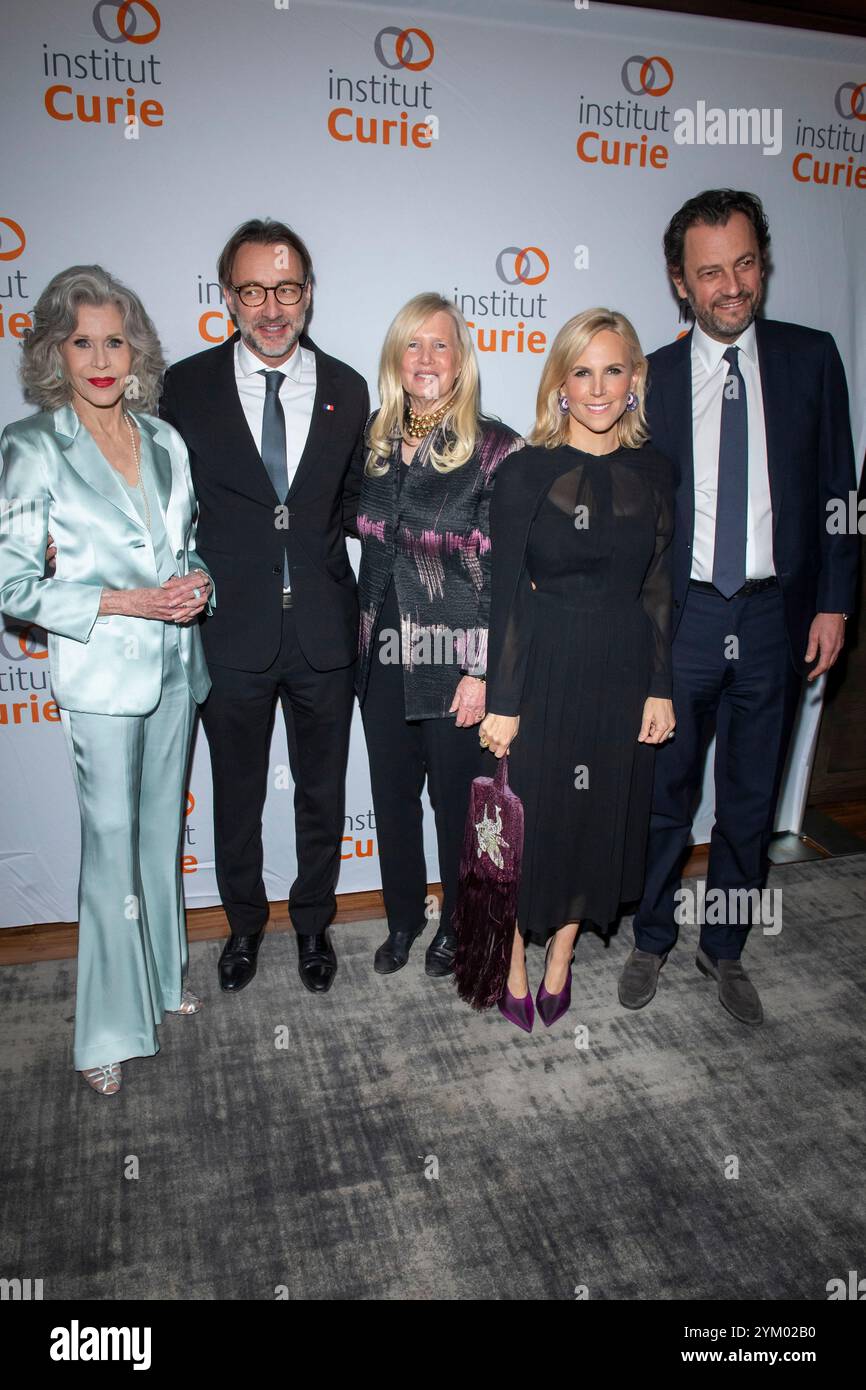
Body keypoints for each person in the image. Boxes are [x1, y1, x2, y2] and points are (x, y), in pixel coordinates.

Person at [620, 189, 859, 1025]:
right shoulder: (650, 378)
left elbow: (839, 493)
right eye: (710, 271)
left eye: (746, 264)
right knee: (663, 794)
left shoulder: (811, 358)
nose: (732, 286)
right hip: (682, 621)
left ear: (764, 262)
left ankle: (723, 949)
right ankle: (651, 936)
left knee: (751, 799)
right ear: (680, 282)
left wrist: (834, 603)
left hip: (774, 619)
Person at [0, 266, 213, 1094]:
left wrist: (199, 588)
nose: (99, 358)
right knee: (109, 850)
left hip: (173, 665)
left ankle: (158, 984)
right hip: (99, 673)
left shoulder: (164, 439)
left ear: (137, 352)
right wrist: (125, 601)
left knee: (159, 840)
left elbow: (185, 551)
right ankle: (104, 1032)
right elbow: (13, 584)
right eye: (81, 341)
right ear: (56, 350)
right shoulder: (29, 446)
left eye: (113, 341)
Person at [160, 220, 369, 996]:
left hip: (324, 634)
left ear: (308, 294)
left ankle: (314, 923)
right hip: (231, 634)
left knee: (324, 793)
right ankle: (243, 925)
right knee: (235, 794)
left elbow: (355, 507)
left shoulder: (348, 387)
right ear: (228, 298)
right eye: (253, 291)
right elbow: (160, 508)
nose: (271, 308)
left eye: (286, 290)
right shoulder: (185, 388)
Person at [479, 309, 675, 1032]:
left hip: (622, 670)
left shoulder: (655, 471)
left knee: (596, 819)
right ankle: (513, 961)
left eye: (613, 370)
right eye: (582, 371)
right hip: (546, 666)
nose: (598, 387)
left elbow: (659, 587)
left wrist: (660, 686)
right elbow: (505, 593)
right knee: (537, 823)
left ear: (635, 382)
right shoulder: (525, 472)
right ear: (560, 384)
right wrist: (505, 696)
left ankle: (561, 957)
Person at [356, 293, 522, 977]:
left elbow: (508, 574)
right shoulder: (372, 438)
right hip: (381, 650)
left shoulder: (496, 449)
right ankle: (403, 921)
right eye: (412, 344)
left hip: (456, 659)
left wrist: (484, 672)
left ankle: (456, 925)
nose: (425, 358)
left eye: (440, 344)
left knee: (456, 807)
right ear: (396, 357)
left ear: (461, 360)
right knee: (392, 801)